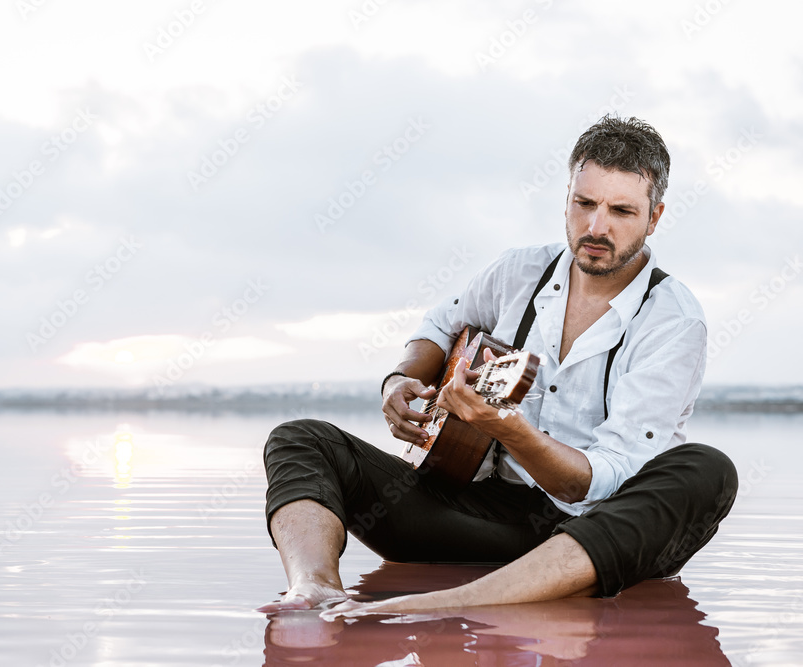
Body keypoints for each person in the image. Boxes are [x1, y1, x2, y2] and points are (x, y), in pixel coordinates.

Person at [259, 115, 738, 617]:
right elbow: (440, 325)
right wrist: (404, 378)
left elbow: (603, 480)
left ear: (654, 217)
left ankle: (455, 601)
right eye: (584, 204)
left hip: (592, 537)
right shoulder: (518, 270)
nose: (597, 227)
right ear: (567, 200)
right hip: (478, 519)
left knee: (707, 471)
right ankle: (313, 591)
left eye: (621, 210)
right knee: (300, 438)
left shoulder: (674, 321)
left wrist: (507, 429)